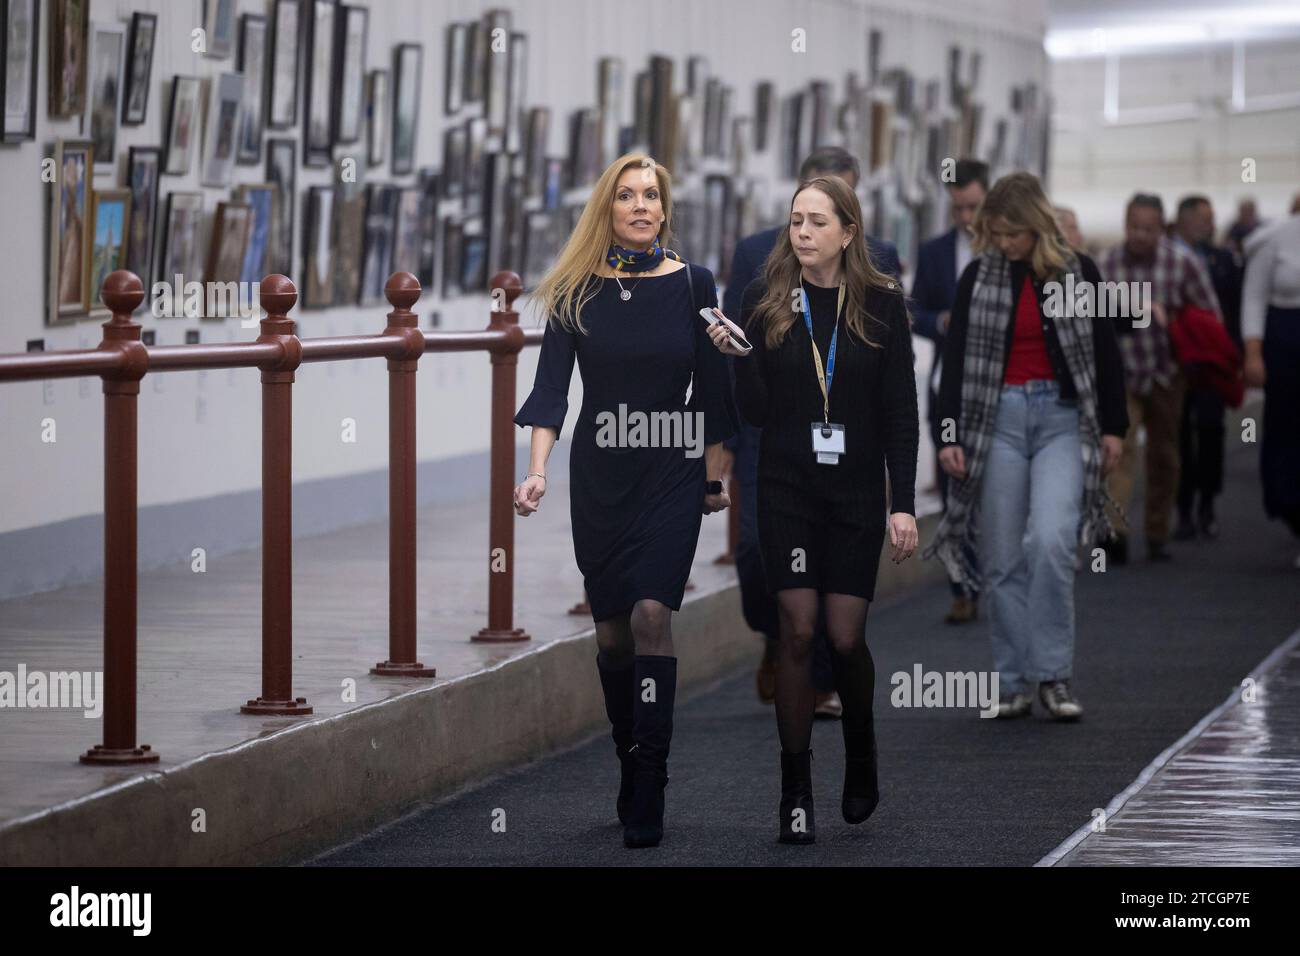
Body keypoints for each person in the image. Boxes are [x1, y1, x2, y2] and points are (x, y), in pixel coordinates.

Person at [512, 153, 739, 849]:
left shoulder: (697, 286)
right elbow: (552, 392)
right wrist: (538, 471)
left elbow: (716, 394)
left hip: (670, 469)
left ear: (665, 210)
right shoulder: (577, 292)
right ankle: (627, 750)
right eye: (627, 196)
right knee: (611, 635)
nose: (641, 206)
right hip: (602, 475)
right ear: (606, 209)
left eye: (652, 196)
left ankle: (651, 779)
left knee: (649, 617)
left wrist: (709, 475)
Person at [721, 175, 919, 844]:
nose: (802, 232)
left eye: (816, 222)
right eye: (795, 220)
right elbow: (753, 412)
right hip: (787, 488)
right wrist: (738, 361)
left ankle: (860, 752)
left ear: (848, 231)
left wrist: (905, 506)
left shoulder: (883, 306)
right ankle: (795, 791)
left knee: (845, 637)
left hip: (859, 493)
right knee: (798, 632)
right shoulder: (765, 299)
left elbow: (900, 414)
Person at [925, 172, 1129, 721]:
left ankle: (1054, 675)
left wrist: (1115, 427)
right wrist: (948, 435)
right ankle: (1014, 680)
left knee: (1053, 541)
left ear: (1036, 225)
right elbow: (956, 360)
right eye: (997, 233)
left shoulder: (1078, 271)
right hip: (998, 422)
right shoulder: (979, 276)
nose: (1005, 244)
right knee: (1002, 556)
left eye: (1013, 234)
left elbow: (1105, 351)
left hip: (1063, 419)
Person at [723, 146, 901, 714]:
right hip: (770, 435)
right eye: (801, 213)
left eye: (825, 213)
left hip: (848, 448)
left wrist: (900, 495)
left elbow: (893, 385)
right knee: (753, 552)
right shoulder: (755, 255)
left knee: (832, 594)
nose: (805, 228)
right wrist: (721, 443)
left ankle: (818, 676)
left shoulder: (882, 264)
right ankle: (780, 635)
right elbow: (736, 348)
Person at [1099, 194, 1222, 562]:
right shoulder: (1107, 264)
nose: (1140, 235)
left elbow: (1210, 314)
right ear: (1125, 225)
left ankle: (1157, 530)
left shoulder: (1182, 264)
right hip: (1122, 373)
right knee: (1118, 450)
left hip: (1169, 373)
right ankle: (1115, 533)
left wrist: (1178, 321)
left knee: (1165, 455)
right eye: (1134, 227)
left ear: (1161, 228)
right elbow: (1091, 316)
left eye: (1148, 229)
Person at [911, 158, 989, 624]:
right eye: (958, 208)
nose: (966, 218)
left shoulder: (1011, 248)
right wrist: (938, 322)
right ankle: (963, 585)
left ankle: (1000, 576)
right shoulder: (936, 251)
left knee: (995, 488)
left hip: (1001, 389)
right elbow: (916, 308)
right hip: (947, 387)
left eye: (973, 207)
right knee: (953, 486)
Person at [1171, 195, 1242, 540]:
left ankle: (1207, 503)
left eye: (1212, 218)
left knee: (1212, 430)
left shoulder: (1223, 260)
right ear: (1184, 219)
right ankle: (1182, 507)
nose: (1211, 224)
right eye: (1204, 218)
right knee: (1180, 434)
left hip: (1211, 362)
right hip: (1178, 360)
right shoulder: (1165, 258)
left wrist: (1238, 356)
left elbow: (1235, 309)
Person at [1240, 207, 1300, 562]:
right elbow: (1253, 297)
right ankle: (1292, 509)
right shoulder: (1275, 237)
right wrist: (1252, 352)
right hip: (1284, 339)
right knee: (1286, 428)